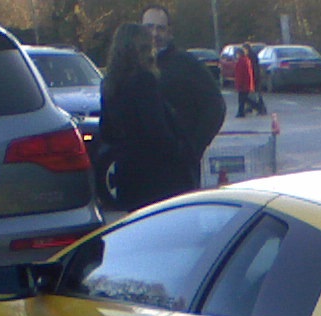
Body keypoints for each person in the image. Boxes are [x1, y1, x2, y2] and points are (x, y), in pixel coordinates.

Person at [99, 22, 193, 210]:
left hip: (127, 175)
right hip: (156, 177)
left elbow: (106, 131)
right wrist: (180, 150)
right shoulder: (144, 81)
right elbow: (157, 130)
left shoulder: (109, 84)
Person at [140, 4, 226, 188]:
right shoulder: (133, 66)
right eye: (149, 27)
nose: (154, 33)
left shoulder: (187, 65)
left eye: (160, 28)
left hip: (178, 174)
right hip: (143, 174)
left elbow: (215, 106)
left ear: (169, 31)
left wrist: (193, 149)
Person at [234, 42, 256, 117]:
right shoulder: (246, 60)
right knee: (244, 99)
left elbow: (240, 74)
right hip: (246, 84)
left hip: (243, 84)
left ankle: (241, 112)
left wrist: (239, 84)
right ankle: (241, 112)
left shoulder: (241, 61)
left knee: (242, 99)